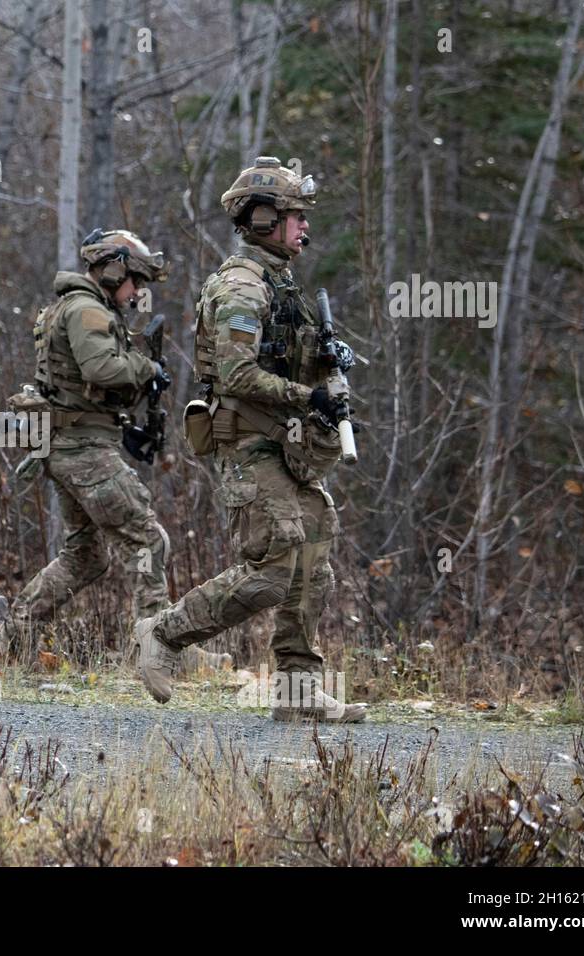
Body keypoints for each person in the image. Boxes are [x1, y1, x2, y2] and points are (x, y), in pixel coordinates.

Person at [134, 157, 367, 722]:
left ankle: (298, 690)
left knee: (312, 559)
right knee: (269, 570)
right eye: (294, 216)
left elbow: (285, 357)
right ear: (262, 220)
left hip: (290, 443)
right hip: (249, 442)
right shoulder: (241, 287)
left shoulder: (281, 284)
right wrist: (307, 397)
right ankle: (163, 635)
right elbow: (237, 376)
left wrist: (327, 364)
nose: (304, 227)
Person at [0, 229, 172, 663]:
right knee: (147, 541)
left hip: (69, 447)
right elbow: (103, 369)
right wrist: (148, 368)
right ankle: (158, 647)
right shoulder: (86, 309)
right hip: (84, 451)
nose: (137, 293)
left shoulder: (75, 306)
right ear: (112, 271)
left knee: (86, 555)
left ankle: (16, 632)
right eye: (135, 282)